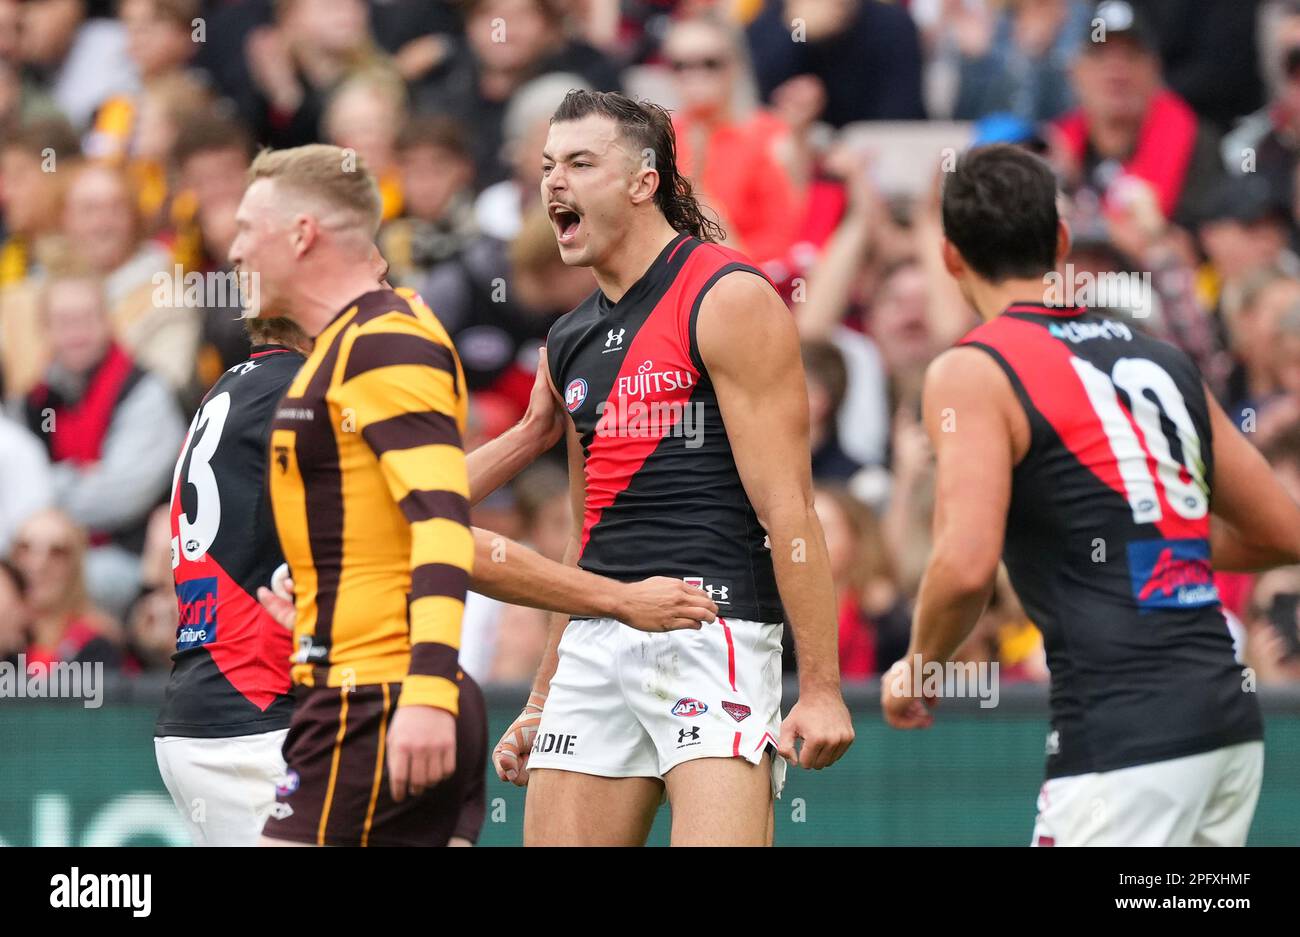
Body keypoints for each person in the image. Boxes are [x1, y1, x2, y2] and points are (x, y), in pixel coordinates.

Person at [229, 144, 719, 847]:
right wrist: (318, 598)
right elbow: (401, 524)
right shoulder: (342, 352)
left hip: (379, 696)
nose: (235, 248)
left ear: (302, 233)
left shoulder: (384, 345)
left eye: (249, 228)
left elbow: (440, 531)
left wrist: (426, 690)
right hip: (364, 688)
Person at [881, 143, 1300, 847]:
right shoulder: (1160, 356)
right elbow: (1285, 530)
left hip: (1123, 740)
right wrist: (1159, 541)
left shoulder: (972, 370)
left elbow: (965, 562)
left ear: (950, 258)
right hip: (1227, 726)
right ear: (1062, 241)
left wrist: (919, 666)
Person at [490, 90, 854, 847]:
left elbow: (789, 510)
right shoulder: (567, 339)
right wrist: (540, 695)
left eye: (581, 163)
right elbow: (582, 532)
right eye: (549, 164)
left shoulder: (727, 295)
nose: (554, 181)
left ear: (644, 181)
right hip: (597, 635)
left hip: (712, 630)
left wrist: (820, 687)